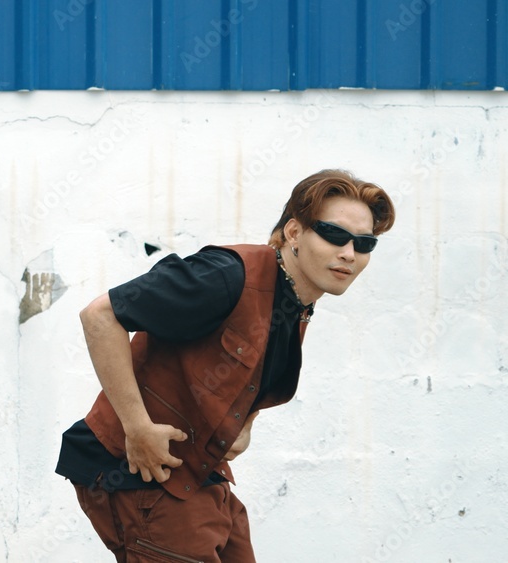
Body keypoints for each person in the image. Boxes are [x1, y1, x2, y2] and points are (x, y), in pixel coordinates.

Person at [56, 170, 396, 562]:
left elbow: (249, 373)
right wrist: (137, 428)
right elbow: (100, 316)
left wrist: (243, 424)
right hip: (137, 474)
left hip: (201, 479)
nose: (349, 253)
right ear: (294, 233)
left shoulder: (296, 301)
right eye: (334, 235)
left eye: (365, 242)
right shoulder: (224, 275)